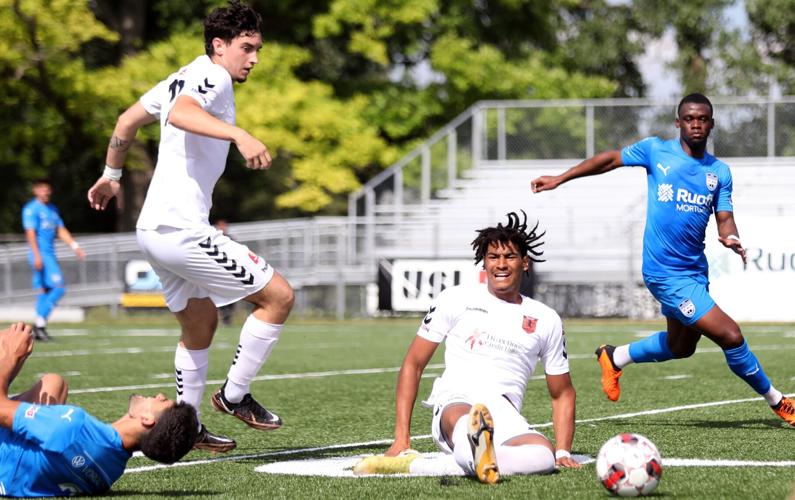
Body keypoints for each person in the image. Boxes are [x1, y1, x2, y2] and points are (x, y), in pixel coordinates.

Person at [87, 0, 295, 452]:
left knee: (199, 325)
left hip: (155, 231)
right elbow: (182, 112)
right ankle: (235, 395)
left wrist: (112, 175)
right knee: (278, 297)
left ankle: (189, 423)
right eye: (247, 47)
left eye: (258, 48)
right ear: (219, 46)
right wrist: (240, 134)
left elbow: (126, 121)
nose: (254, 58)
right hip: (181, 230)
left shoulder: (184, 73)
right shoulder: (212, 76)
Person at [531, 93, 794, 427]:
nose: (695, 124)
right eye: (689, 118)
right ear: (678, 123)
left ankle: (615, 356)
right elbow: (609, 160)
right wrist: (559, 178)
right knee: (731, 335)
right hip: (664, 272)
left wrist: (731, 236)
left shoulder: (719, 172)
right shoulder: (656, 150)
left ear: (711, 124)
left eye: (702, 119)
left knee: (680, 346)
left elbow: (724, 217)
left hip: (694, 271)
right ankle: (779, 401)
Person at [356, 211, 579, 484]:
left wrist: (563, 450)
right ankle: (475, 449)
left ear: (524, 263)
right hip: (456, 401)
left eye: (509, 257)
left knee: (543, 457)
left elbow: (562, 393)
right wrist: (402, 437)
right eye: (493, 257)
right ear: (483, 263)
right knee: (464, 427)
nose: (501, 264)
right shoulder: (456, 298)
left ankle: (440, 463)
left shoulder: (546, 318)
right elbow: (413, 365)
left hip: (504, 412)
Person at [0, 321, 198, 497]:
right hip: (19, 475)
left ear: (147, 419)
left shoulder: (72, 426)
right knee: (55, 383)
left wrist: (12, 357)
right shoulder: (112, 470)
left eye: (163, 402)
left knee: (7, 346)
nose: (160, 395)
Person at [22, 178, 86, 342]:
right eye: (42, 188)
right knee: (59, 287)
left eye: (47, 188)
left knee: (45, 291)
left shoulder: (52, 209)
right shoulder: (31, 209)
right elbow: (30, 233)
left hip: (50, 255)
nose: (46, 191)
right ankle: (39, 326)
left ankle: (39, 326)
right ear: (35, 190)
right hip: (40, 254)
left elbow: (60, 230)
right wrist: (36, 255)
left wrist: (75, 246)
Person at [213, 219, 237, 326]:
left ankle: (228, 317)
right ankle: (222, 316)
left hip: (230, 272)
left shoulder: (231, 239)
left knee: (232, 296)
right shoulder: (212, 240)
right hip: (218, 273)